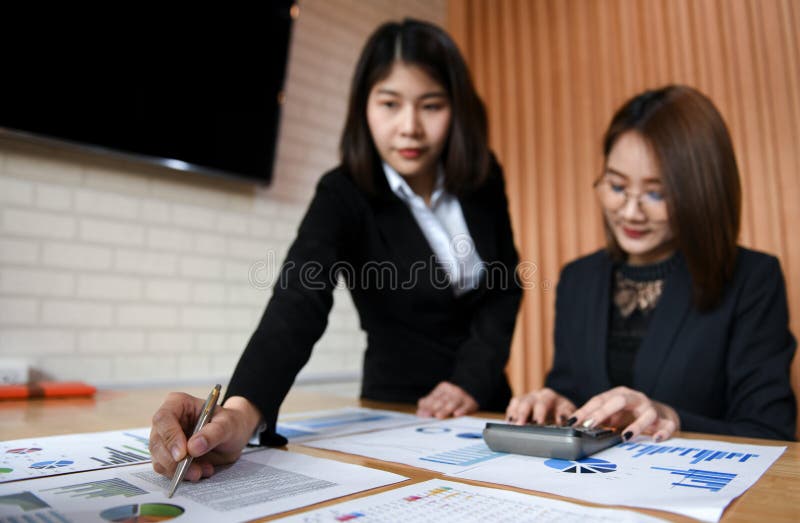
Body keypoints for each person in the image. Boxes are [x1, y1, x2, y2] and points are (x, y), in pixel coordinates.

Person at [149, 18, 522, 481]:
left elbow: (505, 285)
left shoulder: (484, 178)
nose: (410, 128)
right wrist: (243, 409)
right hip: (397, 408)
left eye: (431, 105)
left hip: (486, 396)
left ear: (457, 108)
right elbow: (299, 299)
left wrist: (470, 379)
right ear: (363, 106)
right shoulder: (343, 193)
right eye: (389, 104)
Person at [506, 85, 797, 442]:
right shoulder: (578, 279)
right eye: (616, 187)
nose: (630, 212)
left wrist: (667, 416)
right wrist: (555, 405)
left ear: (702, 192)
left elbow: (769, 433)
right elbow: (573, 394)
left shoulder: (752, 279)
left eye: (656, 194)